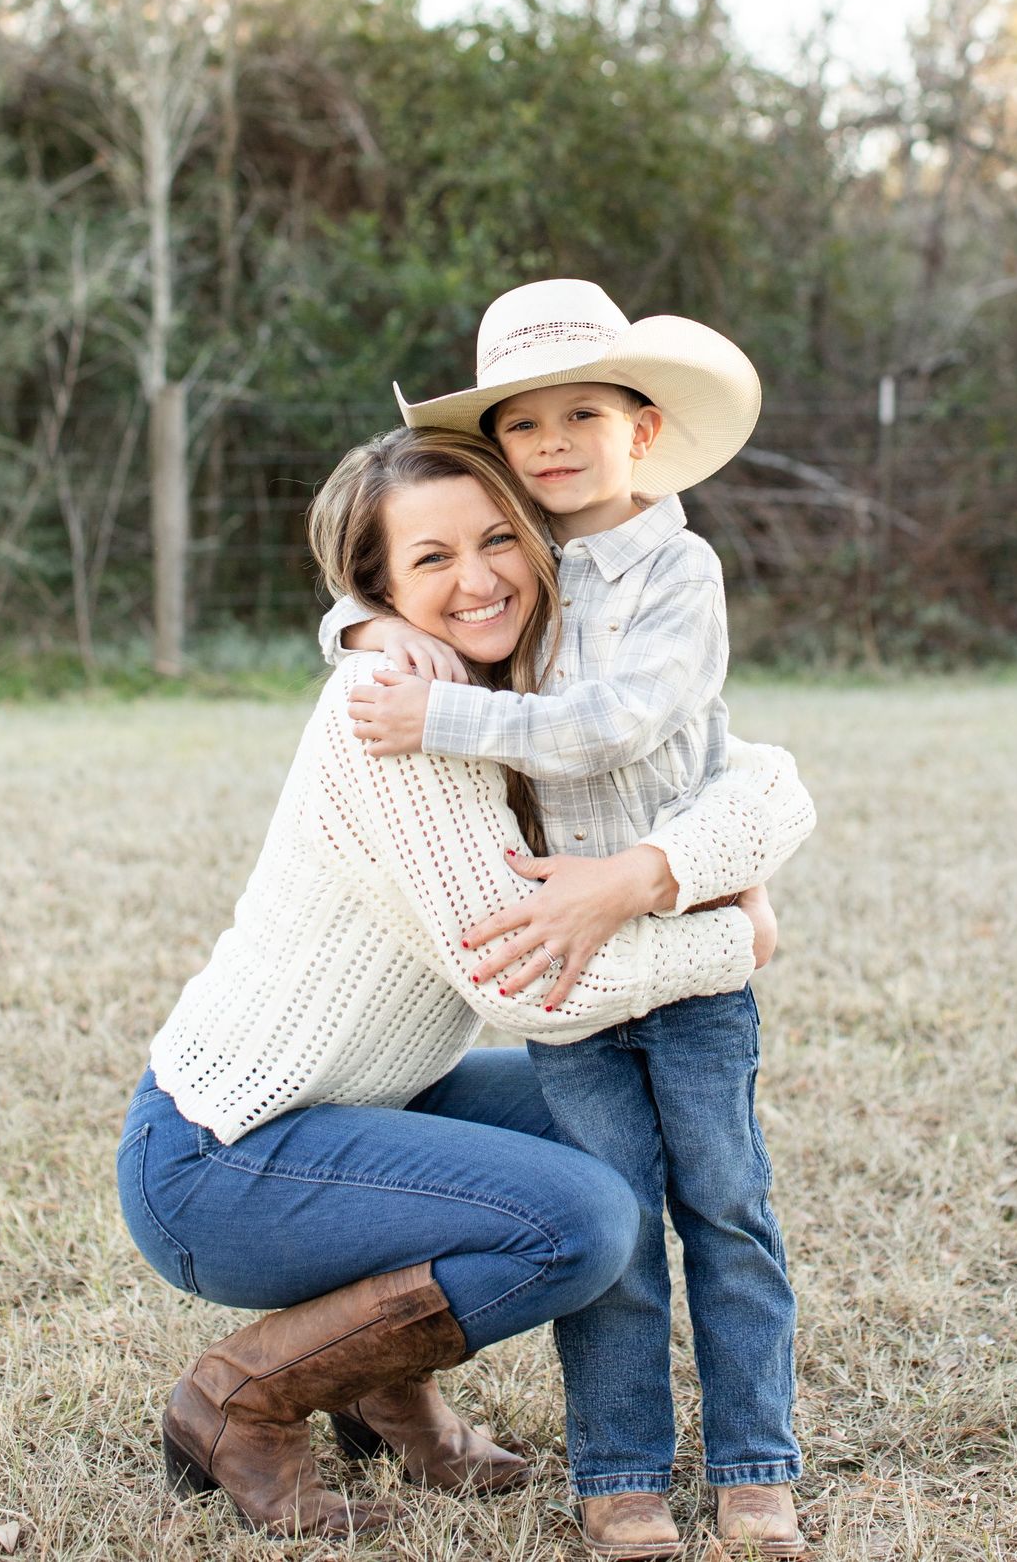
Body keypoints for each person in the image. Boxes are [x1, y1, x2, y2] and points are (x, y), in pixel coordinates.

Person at [117, 419, 815, 1547]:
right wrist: (738, 939)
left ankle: (384, 1386)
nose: (479, 578)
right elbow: (537, 989)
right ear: (381, 587)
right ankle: (241, 1396)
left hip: (365, 1113)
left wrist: (656, 871)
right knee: (592, 1213)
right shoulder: (390, 719)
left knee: (622, 1116)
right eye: (430, 560)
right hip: (221, 1155)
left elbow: (763, 779)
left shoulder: (527, 694)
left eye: (499, 540)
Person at [324, 278, 813, 1560]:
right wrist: (362, 625)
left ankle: (758, 1463)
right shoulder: (519, 563)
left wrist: (445, 718)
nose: (549, 443)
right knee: (617, 1227)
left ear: (639, 428)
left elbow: (618, 726)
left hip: (687, 959)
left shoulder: (678, 571)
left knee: (727, 1210)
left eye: (579, 413)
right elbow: (411, 587)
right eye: (522, 423)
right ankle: (624, 1473)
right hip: (577, 972)